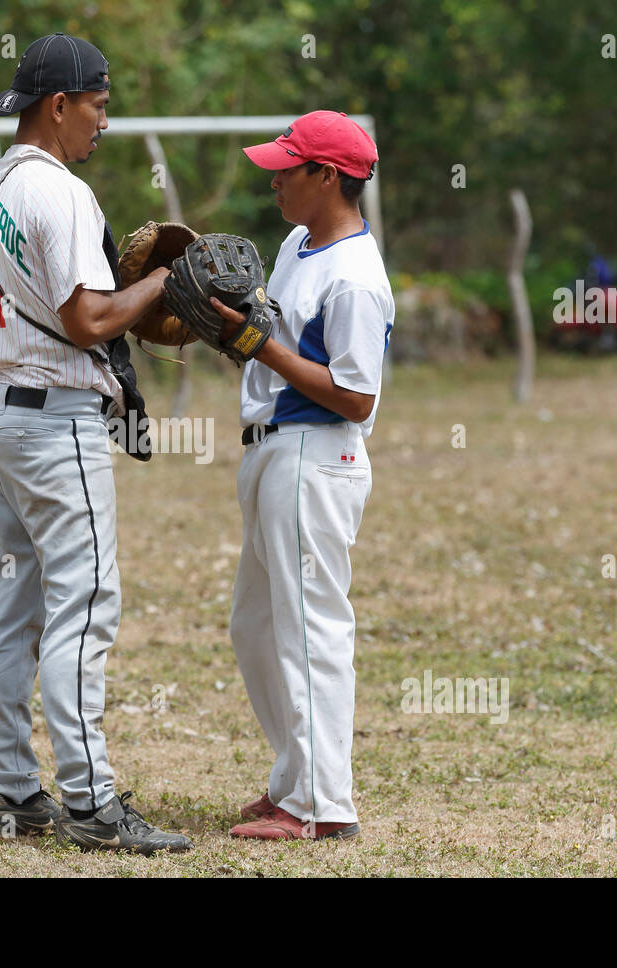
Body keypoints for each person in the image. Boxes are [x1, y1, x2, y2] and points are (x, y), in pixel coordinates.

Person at [0, 33, 191, 855]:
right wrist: (163, 284)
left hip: (1, 416)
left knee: (13, 604)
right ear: (58, 105)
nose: (104, 121)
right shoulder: (60, 192)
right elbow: (88, 320)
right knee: (84, 606)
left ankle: (13, 792)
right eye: (97, 104)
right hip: (57, 423)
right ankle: (92, 804)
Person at [206, 110, 393, 841]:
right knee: (255, 627)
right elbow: (269, 333)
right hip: (272, 450)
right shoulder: (297, 242)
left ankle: (321, 806)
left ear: (327, 176)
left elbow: (355, 394)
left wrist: (260, 346)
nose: (275, 178)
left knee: (312, 630)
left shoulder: (353, 278)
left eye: (289, 167)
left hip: (317, 452)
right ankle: (294, 777)